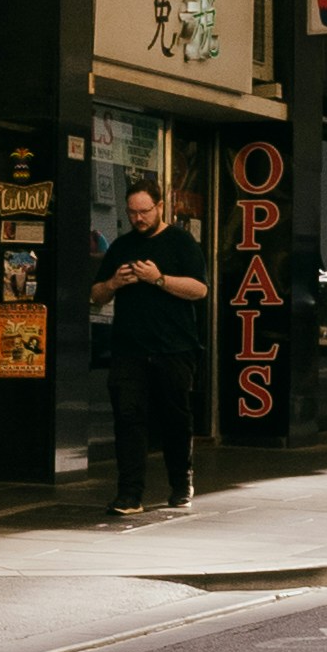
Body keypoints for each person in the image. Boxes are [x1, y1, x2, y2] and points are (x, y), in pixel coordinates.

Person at [96, 182, 211, 517]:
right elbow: (97, 294)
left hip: (174, 347)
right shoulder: (121, 246)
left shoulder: (180, 242)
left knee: (175, 418)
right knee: (128, 418)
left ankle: (181, 484)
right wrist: (114, 283)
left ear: (160, 206)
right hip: (129, 348)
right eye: (132, 212)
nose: (138, 218)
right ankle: (130, 495)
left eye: (144, 211)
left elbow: (199, 289)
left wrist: (159, 279)